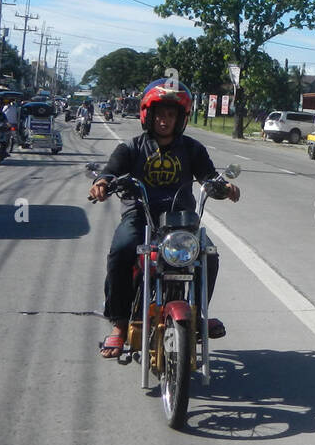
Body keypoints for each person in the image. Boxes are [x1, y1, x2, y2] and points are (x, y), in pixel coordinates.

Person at [88, 79, 240, 359]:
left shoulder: (193, 150)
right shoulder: (131, 148)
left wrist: (224, 187)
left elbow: (208, 176)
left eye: (171, 115)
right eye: (160, 114)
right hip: (140, 214)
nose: (164, 120)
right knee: (122, 250)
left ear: (180, 118)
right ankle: (120, 324)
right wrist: (102, 183)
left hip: (180, 220)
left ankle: (198, 314)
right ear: (148, 115)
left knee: (209, 256)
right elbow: (110, 171)